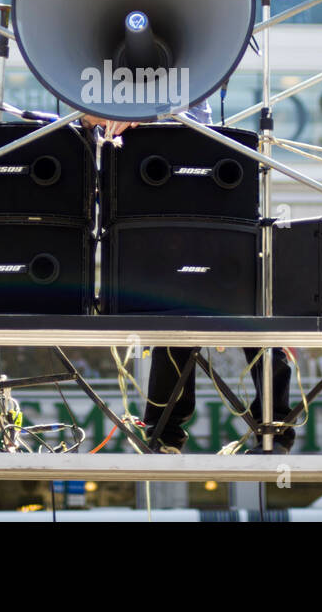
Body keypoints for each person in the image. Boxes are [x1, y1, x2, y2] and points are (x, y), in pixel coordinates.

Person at [82, 102, 295, 454]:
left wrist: (145, 115)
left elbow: (195, 111)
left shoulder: (184, 74)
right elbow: (85, 130)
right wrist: (96, 115)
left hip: (208, 192)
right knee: (176, 310)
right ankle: (166, 432)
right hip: (156, 204)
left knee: (252, 309)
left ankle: (272, 431)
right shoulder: (108, 78)